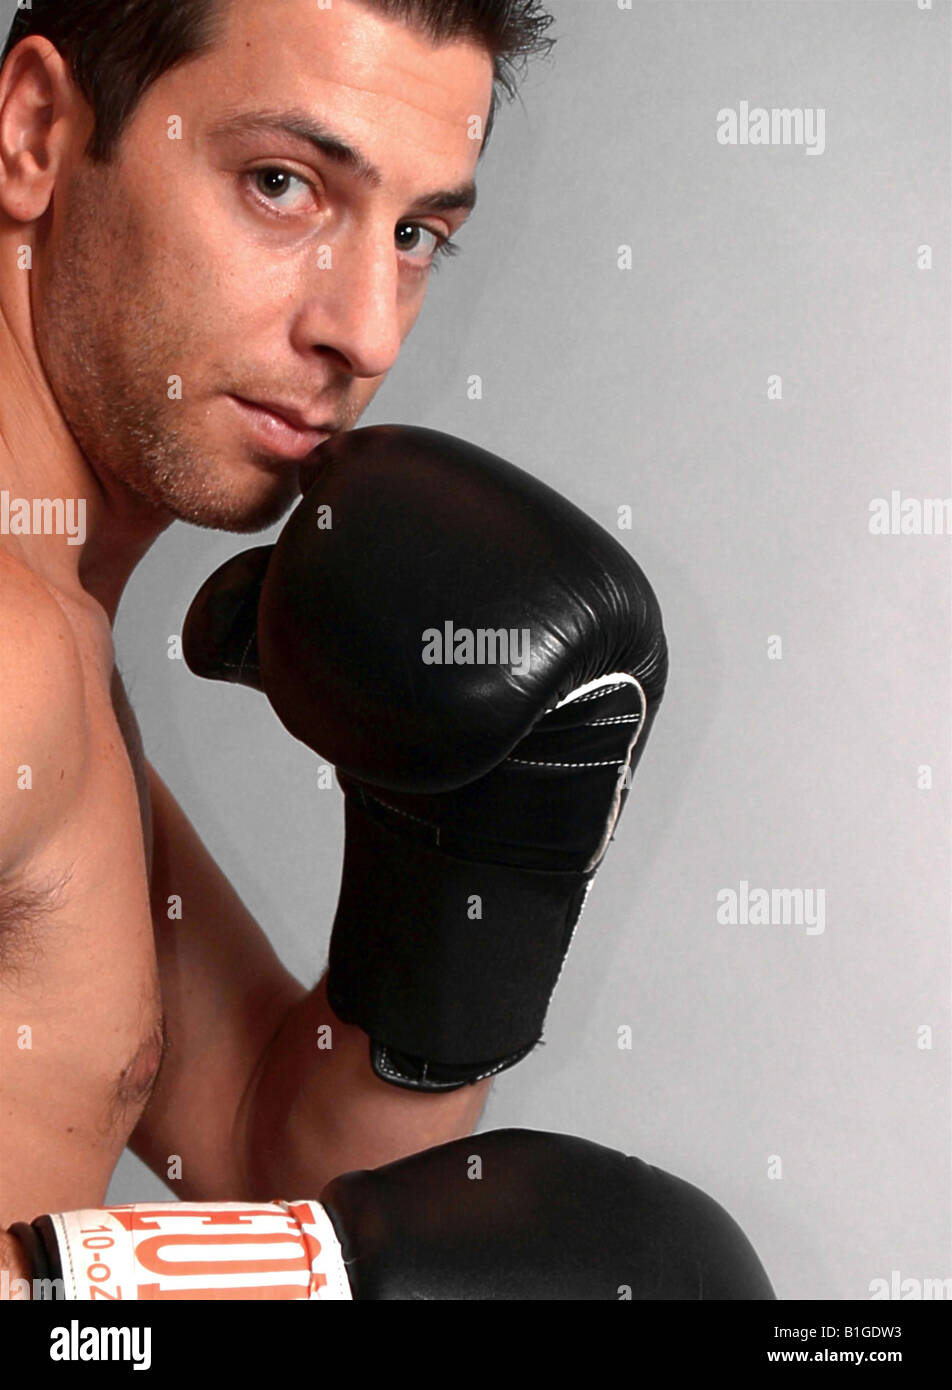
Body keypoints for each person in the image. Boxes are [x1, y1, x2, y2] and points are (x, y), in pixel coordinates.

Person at [0, 0, 770, 1300]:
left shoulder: (54, 641)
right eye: (283, 185)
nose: (367, 330)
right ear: (33, 133)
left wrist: (478, 865)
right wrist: (266, 1286)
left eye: (416, 234)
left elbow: (266, 1150)